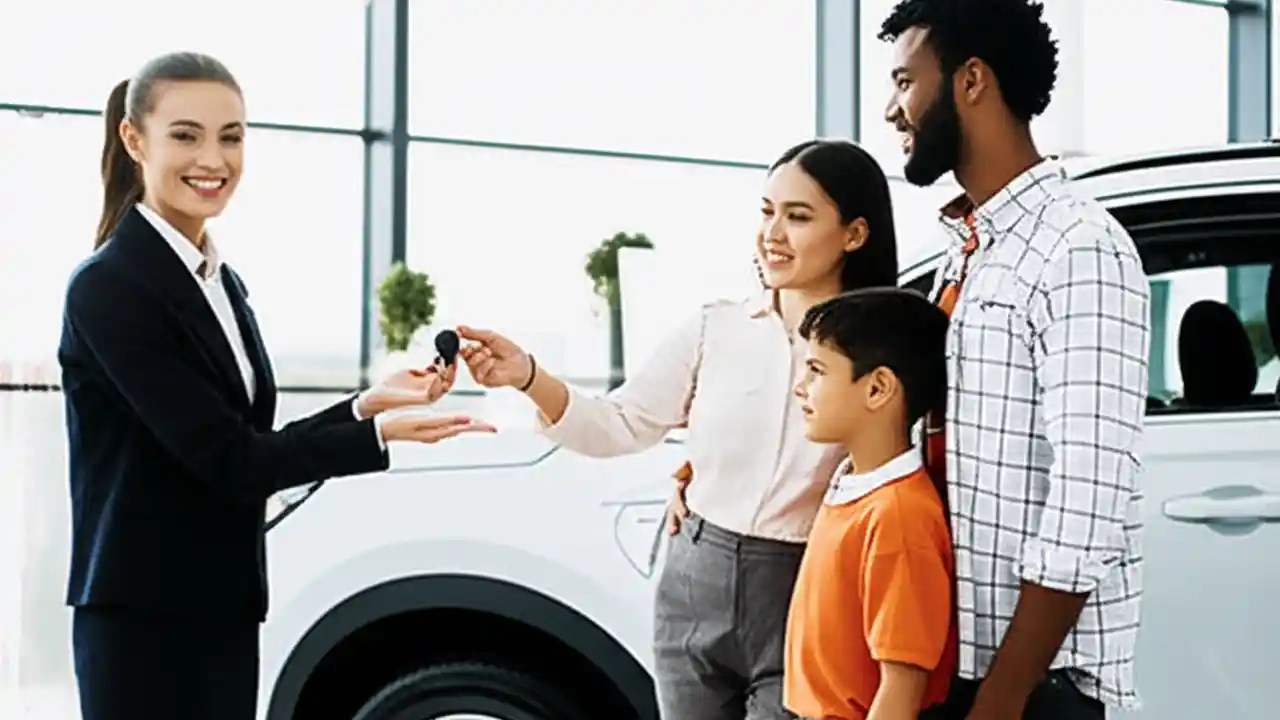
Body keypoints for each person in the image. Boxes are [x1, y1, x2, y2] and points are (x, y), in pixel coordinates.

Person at [59, 52, 494, 720]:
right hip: (144, 624)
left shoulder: (220, 283)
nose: (214, 158)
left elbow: (246, 441)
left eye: (230, 136)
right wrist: (374, 436)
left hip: (221, 609)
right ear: (133, 139)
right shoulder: (110, 287)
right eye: (186, 135)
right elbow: (227, 462)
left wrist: (364, 405)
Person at [457, 139, 901, 720]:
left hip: (807, 590)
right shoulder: (716, 327)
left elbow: (895, 473)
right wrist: (528, 376)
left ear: (855, 234)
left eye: (798, 217)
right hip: (695, 582)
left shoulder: (885, 356)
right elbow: (619, 425)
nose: (773, 233)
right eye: (767, 211)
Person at [878, 1, 1150, 718]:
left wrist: (1003, 694)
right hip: (956, 668)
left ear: (972, 80)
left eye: (906, 81)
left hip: (1029, 686)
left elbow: (1089, 498)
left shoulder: (1078, 247)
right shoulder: (968, 251)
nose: (891, 109)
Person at [783, 288, 956, 720]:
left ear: (878, 388)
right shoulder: (853, 484)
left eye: (817, 371)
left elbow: (902, 684)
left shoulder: (899, 516)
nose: (800, 388)